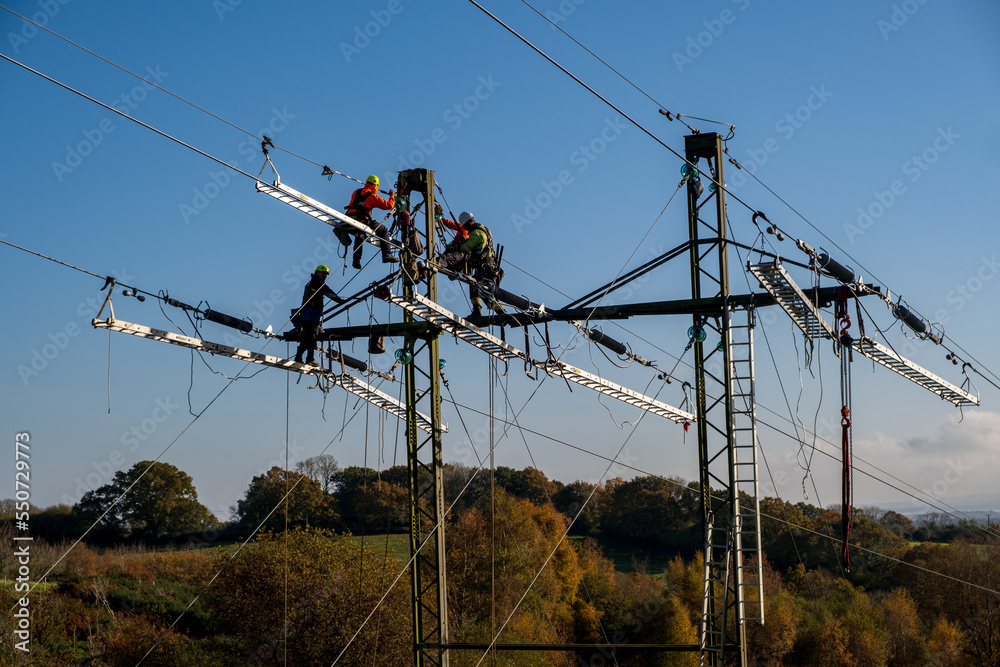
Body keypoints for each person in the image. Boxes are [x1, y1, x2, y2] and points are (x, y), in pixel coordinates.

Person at [438, 210, 501, 318]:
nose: (466, 229)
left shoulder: (477, 234)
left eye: (466, 227)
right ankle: (478, 311)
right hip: (487, 264)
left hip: (484, 265)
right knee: (476, 286)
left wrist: (459, 245)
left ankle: (499, 311)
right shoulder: (485, 229)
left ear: (469, 223)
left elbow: (465, 248)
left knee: (482, 289)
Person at [339, 175, 398, 269]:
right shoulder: (372, 196)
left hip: (350, 217)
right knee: (383, 230)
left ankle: (356, 260)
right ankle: (387, 255)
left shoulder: (356, 192)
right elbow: (389, 205)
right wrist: (392, 196)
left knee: (360, 235)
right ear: (376, 186)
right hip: (362, 219)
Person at [293, 265, 345, 366]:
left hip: (307, 313)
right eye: (323, 273)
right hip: (311, 314)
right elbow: (328, 292)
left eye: (326, 274)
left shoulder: (312, 282)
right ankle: (310, 359)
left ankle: (298, 357)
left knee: (306, 336)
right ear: (317, 272)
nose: (325, 275)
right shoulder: (317, 282)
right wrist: (339, 300)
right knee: (312, 335)